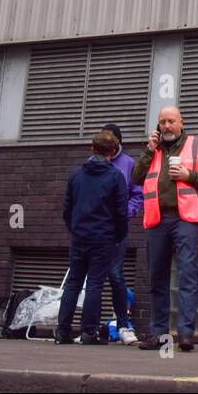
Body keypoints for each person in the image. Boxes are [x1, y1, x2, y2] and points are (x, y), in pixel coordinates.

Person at [131, 106, 198, 352]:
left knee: (187, 276)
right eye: (162, 122)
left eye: (171, 121)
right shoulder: (153, 149)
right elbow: (136, 178)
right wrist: (148, 152)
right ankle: (159, 335)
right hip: (157, 219)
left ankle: (185, 334)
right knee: (157, 278)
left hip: (186, 218)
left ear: (181, 122)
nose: (167, 126)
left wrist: (189, 175)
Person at [56, 130, 129, 345]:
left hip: (79, 236)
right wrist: (118, 235)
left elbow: (67, 209)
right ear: (113, 152)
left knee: (73, 282)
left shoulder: (76, 175)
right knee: (95, 284)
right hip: (104, 237)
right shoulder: (115, 177)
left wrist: (74, 228)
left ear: (92, 148)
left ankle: (62, 332)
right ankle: (89, 332)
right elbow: (121, 212)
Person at [99, 123, 141, 345]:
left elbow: (137, 193)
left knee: (115, 275)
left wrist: (126, 214)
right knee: (93, 278)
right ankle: (90, 327)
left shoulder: (128, 164)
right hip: (96, 230)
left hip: (117, 230)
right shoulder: (92, 163)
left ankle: (123, 325)